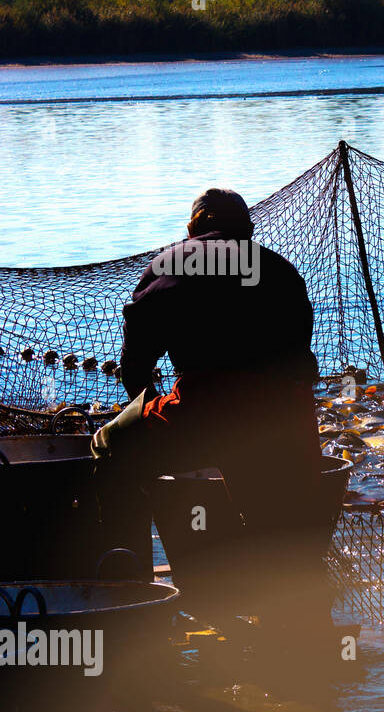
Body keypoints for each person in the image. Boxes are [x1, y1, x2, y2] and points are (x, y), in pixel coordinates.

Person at [92, 188, 326, 632]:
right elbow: (301, 350)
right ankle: (301, 634)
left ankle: (129, 591)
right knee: (282, 523)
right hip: (284, 418)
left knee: (110, 446)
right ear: (247, 228)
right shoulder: (277, 268)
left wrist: (140, 396)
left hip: (207, 410)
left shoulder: (173, 262)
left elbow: (137, 353)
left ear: (194, 226)